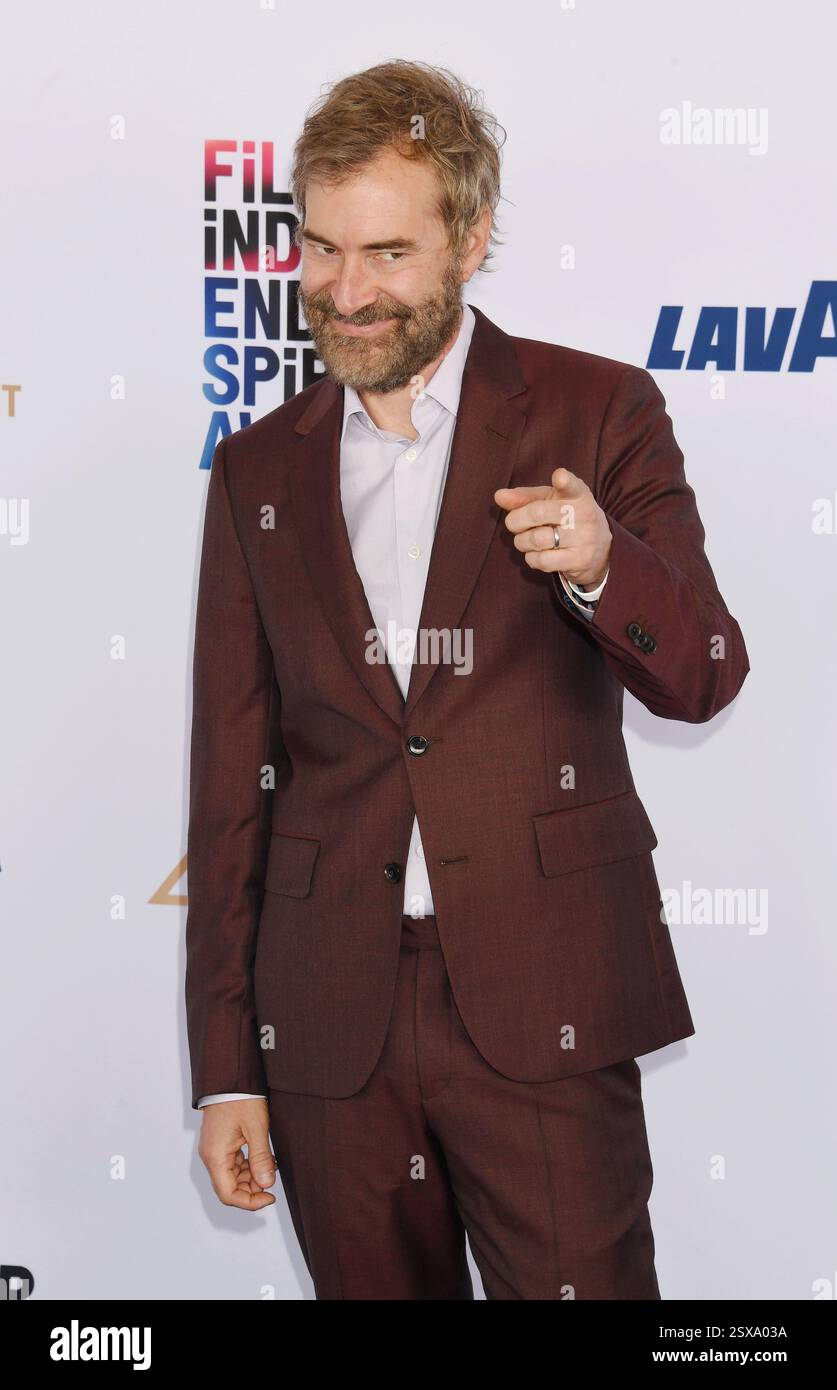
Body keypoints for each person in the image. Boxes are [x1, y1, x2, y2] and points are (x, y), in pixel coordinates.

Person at [185, 59, 749, 1300]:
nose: (345, 290)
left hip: (544, 999)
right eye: (321, 249)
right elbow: (233, 783)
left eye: (387, 253)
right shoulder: (256, 470)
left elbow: (708, 671)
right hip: (331, 1022)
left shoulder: (598, 409)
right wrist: (229, 1065)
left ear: (474, 238)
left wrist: (607, 567)